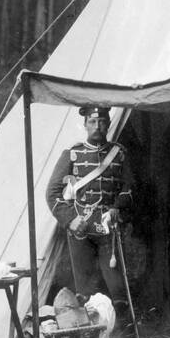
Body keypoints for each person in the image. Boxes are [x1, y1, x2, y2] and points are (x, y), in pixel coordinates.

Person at [45, 105, 132, 312]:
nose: (97, 126)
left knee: (117, 288)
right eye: (92, 122)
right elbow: (52, 193)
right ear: (85, 125)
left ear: (108, 124)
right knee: (84, 290)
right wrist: (71, 219)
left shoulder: (118, 154)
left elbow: (129, 189)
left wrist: (117, 208)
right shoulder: (72, 154)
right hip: (80, 229)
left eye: (102, 121)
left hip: (108, 228)